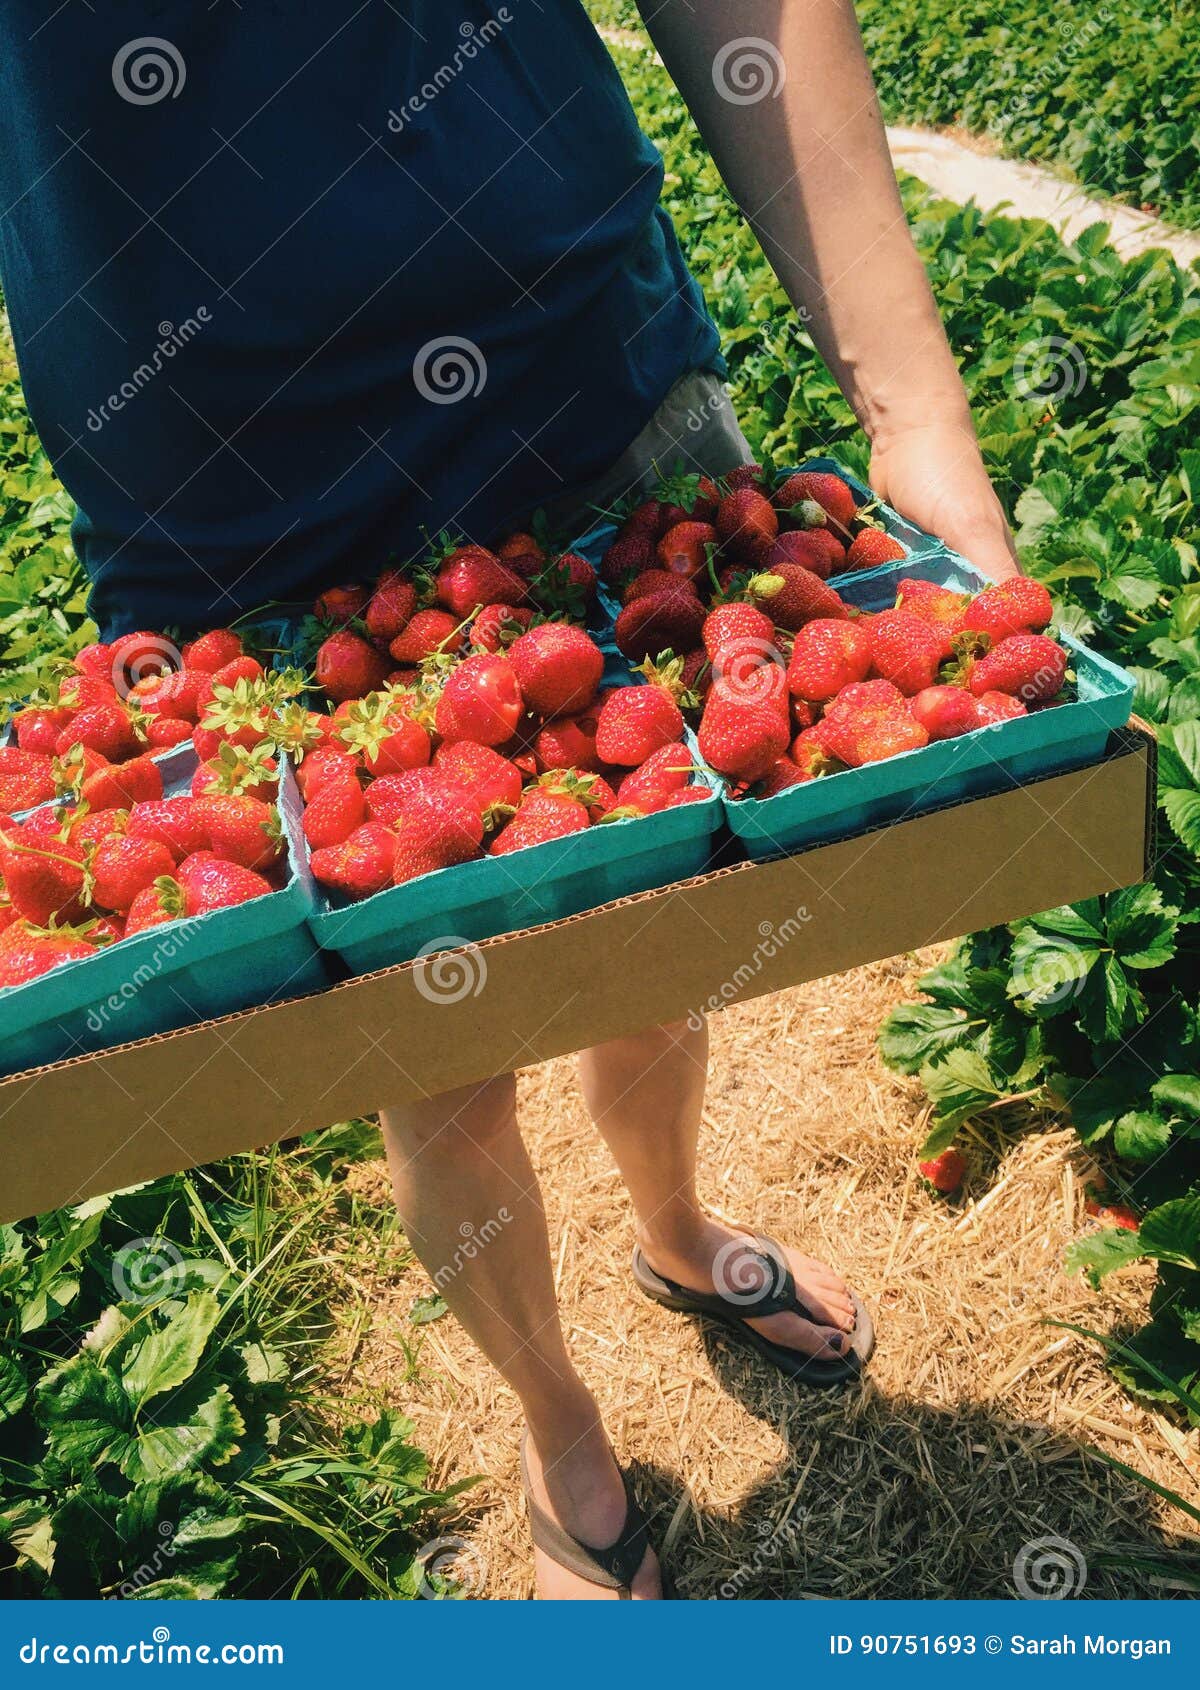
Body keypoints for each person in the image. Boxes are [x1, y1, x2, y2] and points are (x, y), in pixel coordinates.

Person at [0, 1, 1020, 1599]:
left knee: (658, 910)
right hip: (212, 471)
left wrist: (914, 417)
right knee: (434, 1048)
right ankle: (558, 1420)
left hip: (568, 356)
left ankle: (675, 1229)